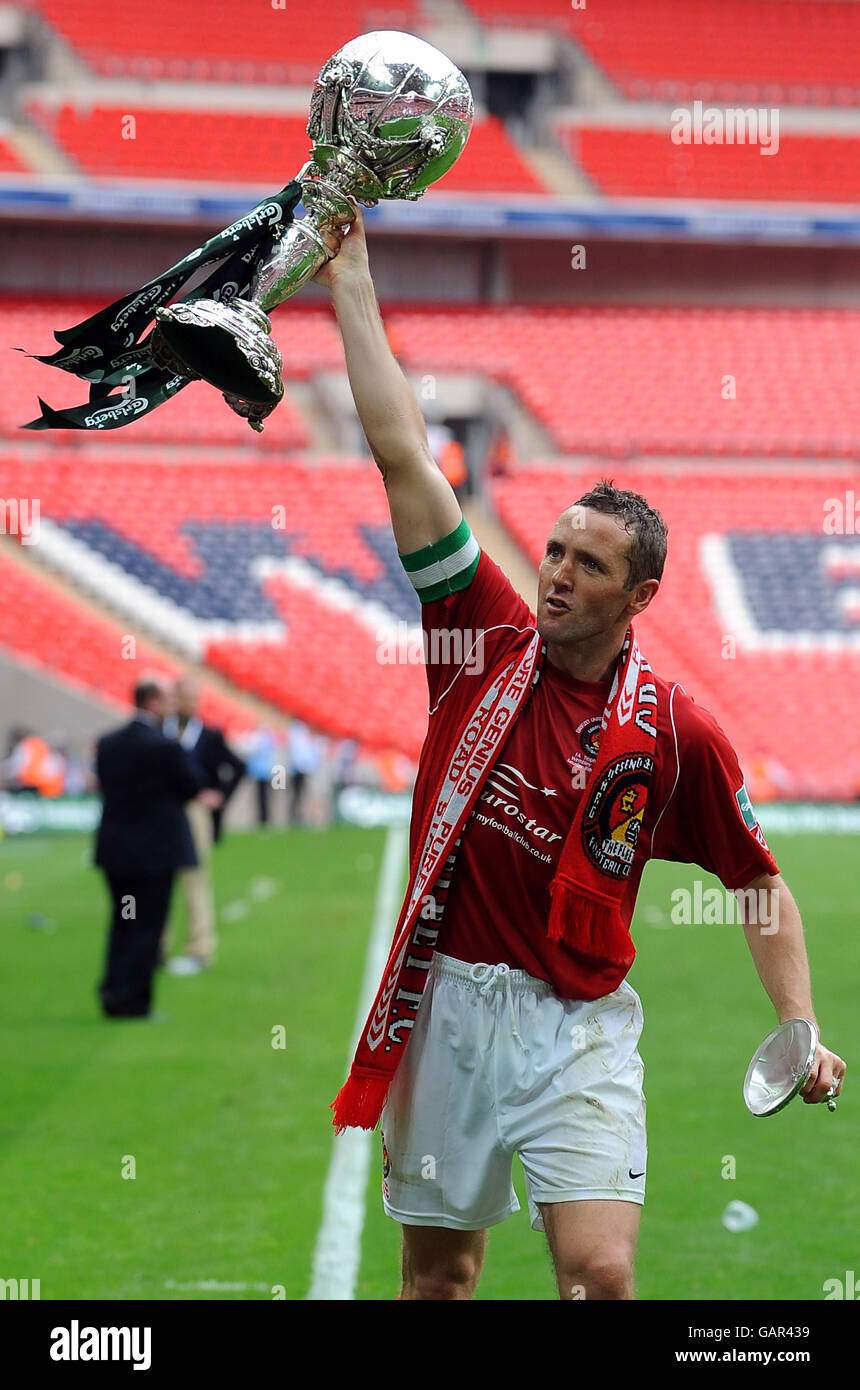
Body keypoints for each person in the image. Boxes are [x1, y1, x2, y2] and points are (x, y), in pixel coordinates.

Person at [315, 207, 847, 1302]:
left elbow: (757, 883)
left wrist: (797, 1024)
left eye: (586, 563)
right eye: (551, 549)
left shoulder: (675, 731)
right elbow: (402, 454)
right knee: (438, 1282)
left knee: (598, 1279)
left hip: (577, 1031)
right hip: (449, 1010)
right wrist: (351, 276)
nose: (554, 572)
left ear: (637, 595)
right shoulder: (475, 638)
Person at [94, 677, 204, 1018]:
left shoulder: (108, 743)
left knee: (123, 921)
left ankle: (112, 991)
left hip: (116, 850)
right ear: (153, 703)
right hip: (155, 853)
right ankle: (135, 1002)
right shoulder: (164, 746)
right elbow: (192, 785)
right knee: (147, 927)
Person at [161, 675, 246, 974]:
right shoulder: (162, 730)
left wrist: (220, 795)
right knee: (160, 878)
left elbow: (237, 765)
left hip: (195, 811)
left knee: (195, 877)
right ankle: (159, 946)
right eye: (183, 696)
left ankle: (200, 947)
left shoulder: (210, 735)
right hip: (165, 809)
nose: (188, 703)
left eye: (193, 697)